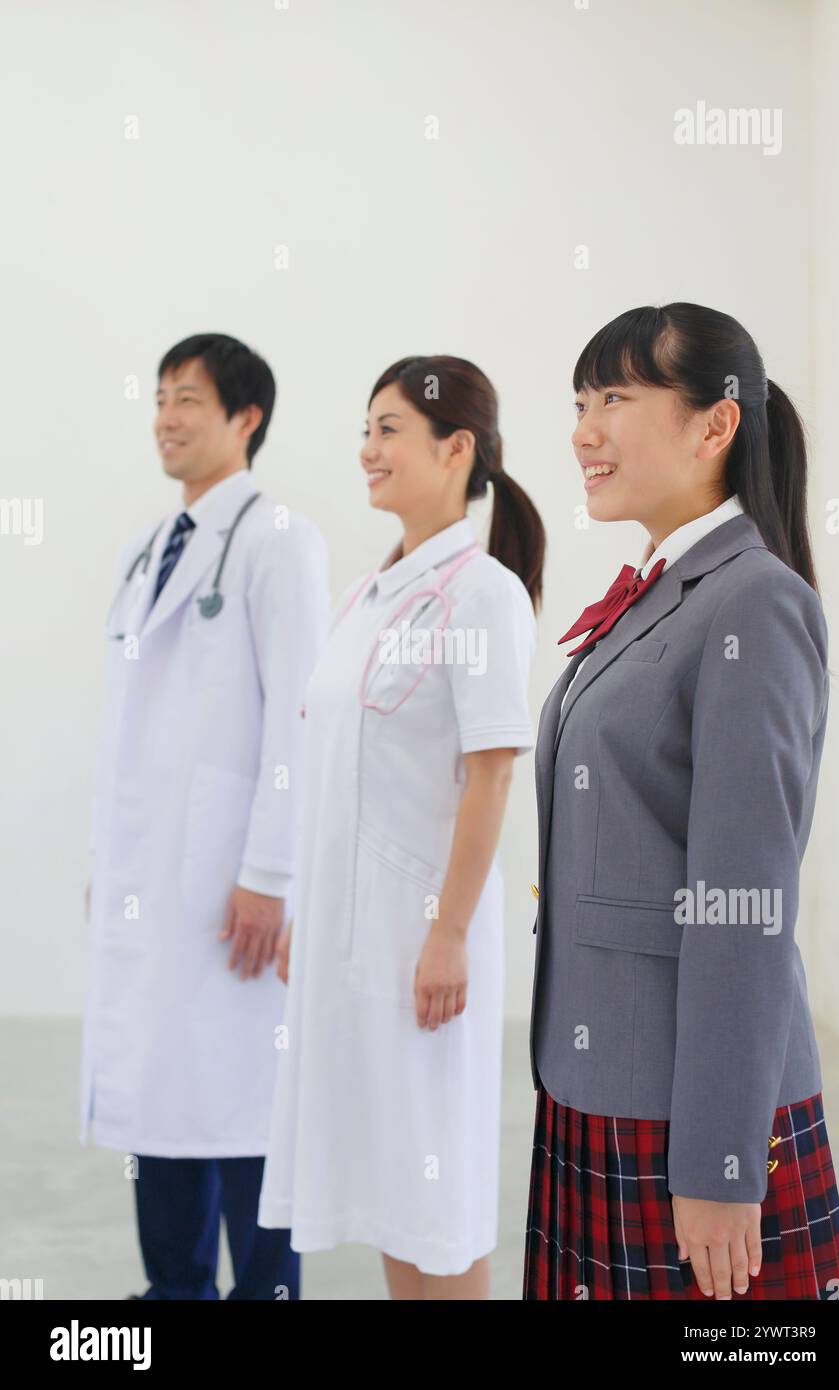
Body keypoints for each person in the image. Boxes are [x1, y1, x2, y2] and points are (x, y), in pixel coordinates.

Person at [525, 302, 839, 1302]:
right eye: (578, 402)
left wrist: (720, 1161)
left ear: (714, 425)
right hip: (598, 1079)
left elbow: (744, 906)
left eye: (614, 398)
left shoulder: (750, 598)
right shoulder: (662, 587)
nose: (583, 430)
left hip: (685, 1105)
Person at [258, 355, 544, 1298]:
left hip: (426, 946)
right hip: (353, 946)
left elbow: (489, 783)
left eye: (389, 430)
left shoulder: (484, 595)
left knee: (436, 1188)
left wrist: (450, 935)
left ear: (456, 447)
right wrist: (306, 910)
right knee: (390, 1183)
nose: (367, 450)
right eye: (366, 429)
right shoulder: (367, 596)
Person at [81, 333, 330, 1300]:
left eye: (188, 399)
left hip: (235, 886)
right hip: (155, 882)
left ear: (246, 418)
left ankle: (266, 1294)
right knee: (160, 1103)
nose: (167, 419)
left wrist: (271, 876)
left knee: (243, 1108)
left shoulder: (278, 540)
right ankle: (172, 1292)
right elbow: (132, 733)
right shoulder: (151, 548)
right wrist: (112, 860)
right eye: (159, 399)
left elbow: (297, 718)